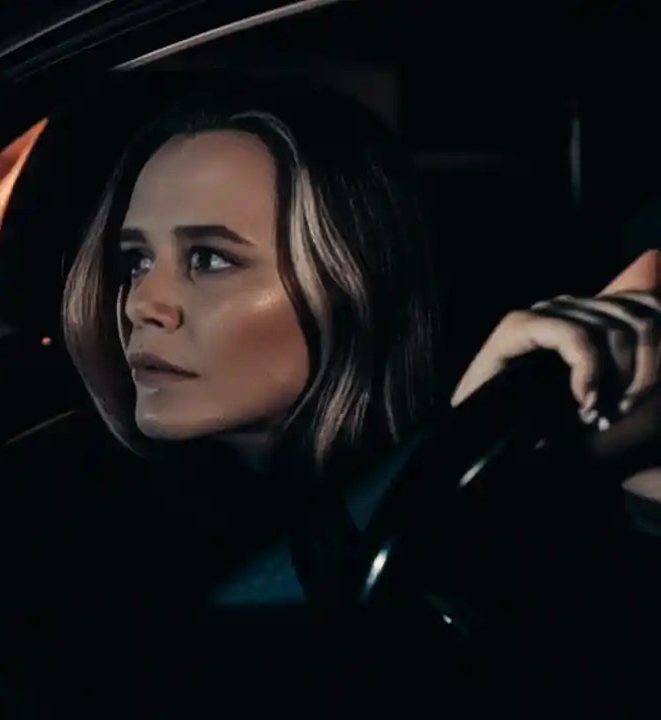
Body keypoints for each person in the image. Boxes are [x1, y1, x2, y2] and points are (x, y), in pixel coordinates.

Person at [54, 79, 661, 708]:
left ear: (357, 282)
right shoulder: (72, 526)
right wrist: (447, 470)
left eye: (208, 259)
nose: (142, 303)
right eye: (135, 262)